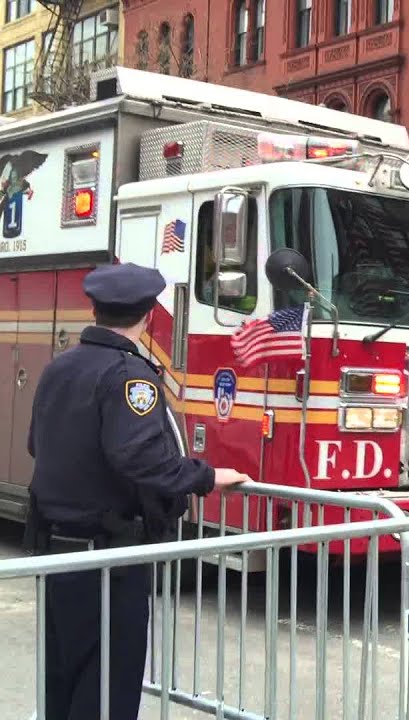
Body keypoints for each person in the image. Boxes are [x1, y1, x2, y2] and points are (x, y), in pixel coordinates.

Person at [24, 263, 251, 720]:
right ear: (149, 314)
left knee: (64, 681)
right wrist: (208, 477)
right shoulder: (130, 376)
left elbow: (36, 443)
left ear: (94, 308)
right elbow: (141, 459)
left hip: (60, 553)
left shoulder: (60, 366)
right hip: (109, 558)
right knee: (107, 687)